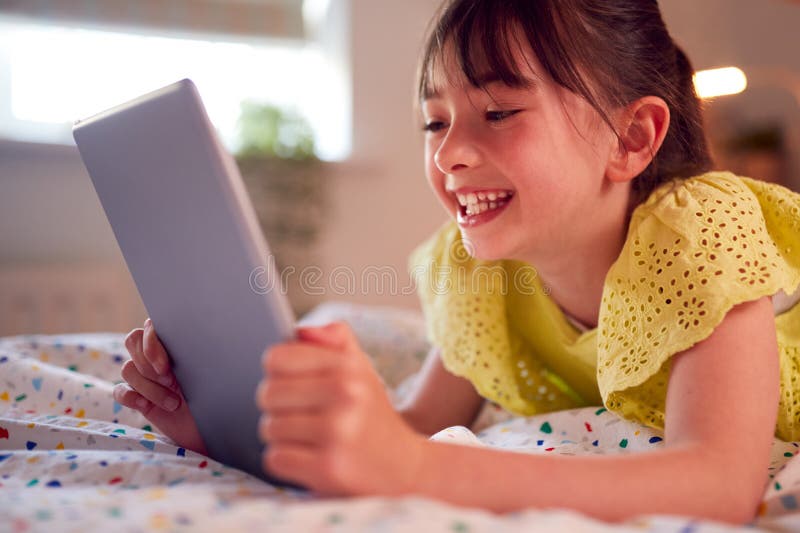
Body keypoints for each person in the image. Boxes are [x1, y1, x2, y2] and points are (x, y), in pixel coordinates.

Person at [113, 0, 800, 524]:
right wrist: (230, 424)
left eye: (498, 111)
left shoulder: (697, 233)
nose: (449, 155)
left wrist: (417, 468)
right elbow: (410, 424)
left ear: (632, 136)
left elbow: (718, 484)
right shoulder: (479, 274)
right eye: (435, 122)